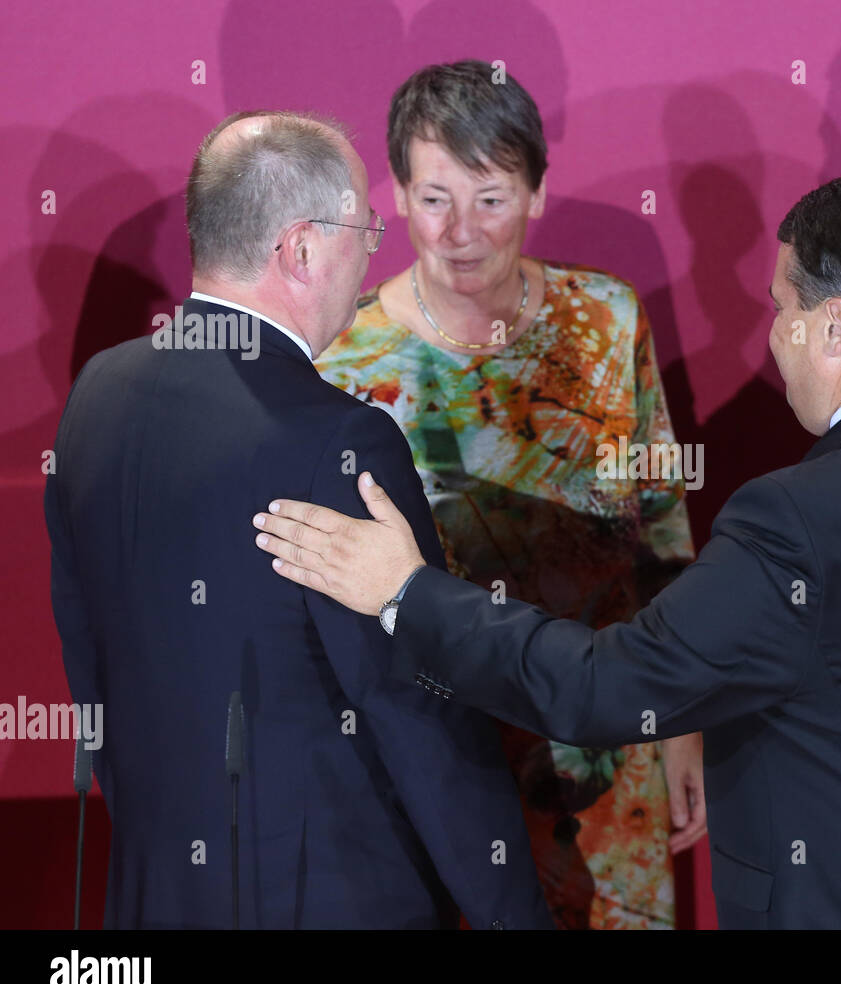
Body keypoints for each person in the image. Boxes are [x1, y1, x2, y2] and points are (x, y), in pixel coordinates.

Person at [254, 172, 841, 929]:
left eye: (782, 310)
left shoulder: (798, 519)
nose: (773, 337)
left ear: (835, 328)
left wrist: (405, 592)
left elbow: (601, 687)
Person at [45, 111, 551, 929]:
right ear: (302, 248)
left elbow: (86, 654)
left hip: (152, 892)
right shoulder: (340, 440)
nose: (374, 252)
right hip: (328, 898)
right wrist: (513, 913)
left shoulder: (95, 395)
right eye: (365, 229)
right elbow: (417, 711)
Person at [312, 61, 702, 930]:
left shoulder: (608, 317)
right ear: (397, 197)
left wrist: (685, 721)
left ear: (535, 192)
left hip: (609, 740)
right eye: (433, 198)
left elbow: (663, 522)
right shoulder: (340, 360)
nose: (460, 233)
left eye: (490, 197)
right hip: (434, 757)